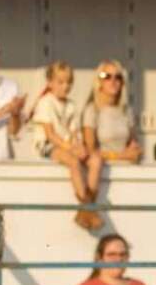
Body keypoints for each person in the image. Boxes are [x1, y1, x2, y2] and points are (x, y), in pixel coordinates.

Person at [27, 61, 103, 229]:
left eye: (69, 82)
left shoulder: (71, 105)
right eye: (60, 82)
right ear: (50, 83)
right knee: (73, 162)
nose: (65, 86)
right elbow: (50, 134)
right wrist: (70, 148)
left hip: (67, 143)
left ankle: (88, 202)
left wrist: (80, 147)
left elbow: (75, 132)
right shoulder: (46, 102)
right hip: (46, 145)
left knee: (95, 160)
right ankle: (87, 207)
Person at [89, 59, 140, 164]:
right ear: (99, 81)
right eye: (106, 76)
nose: (113, 80)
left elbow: (133, 143)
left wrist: (135, 151)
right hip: (103, 170)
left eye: (118, 77)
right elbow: (90, 151)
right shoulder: (92, 110)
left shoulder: (126, 111)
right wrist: (121, 156)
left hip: (126, 169)